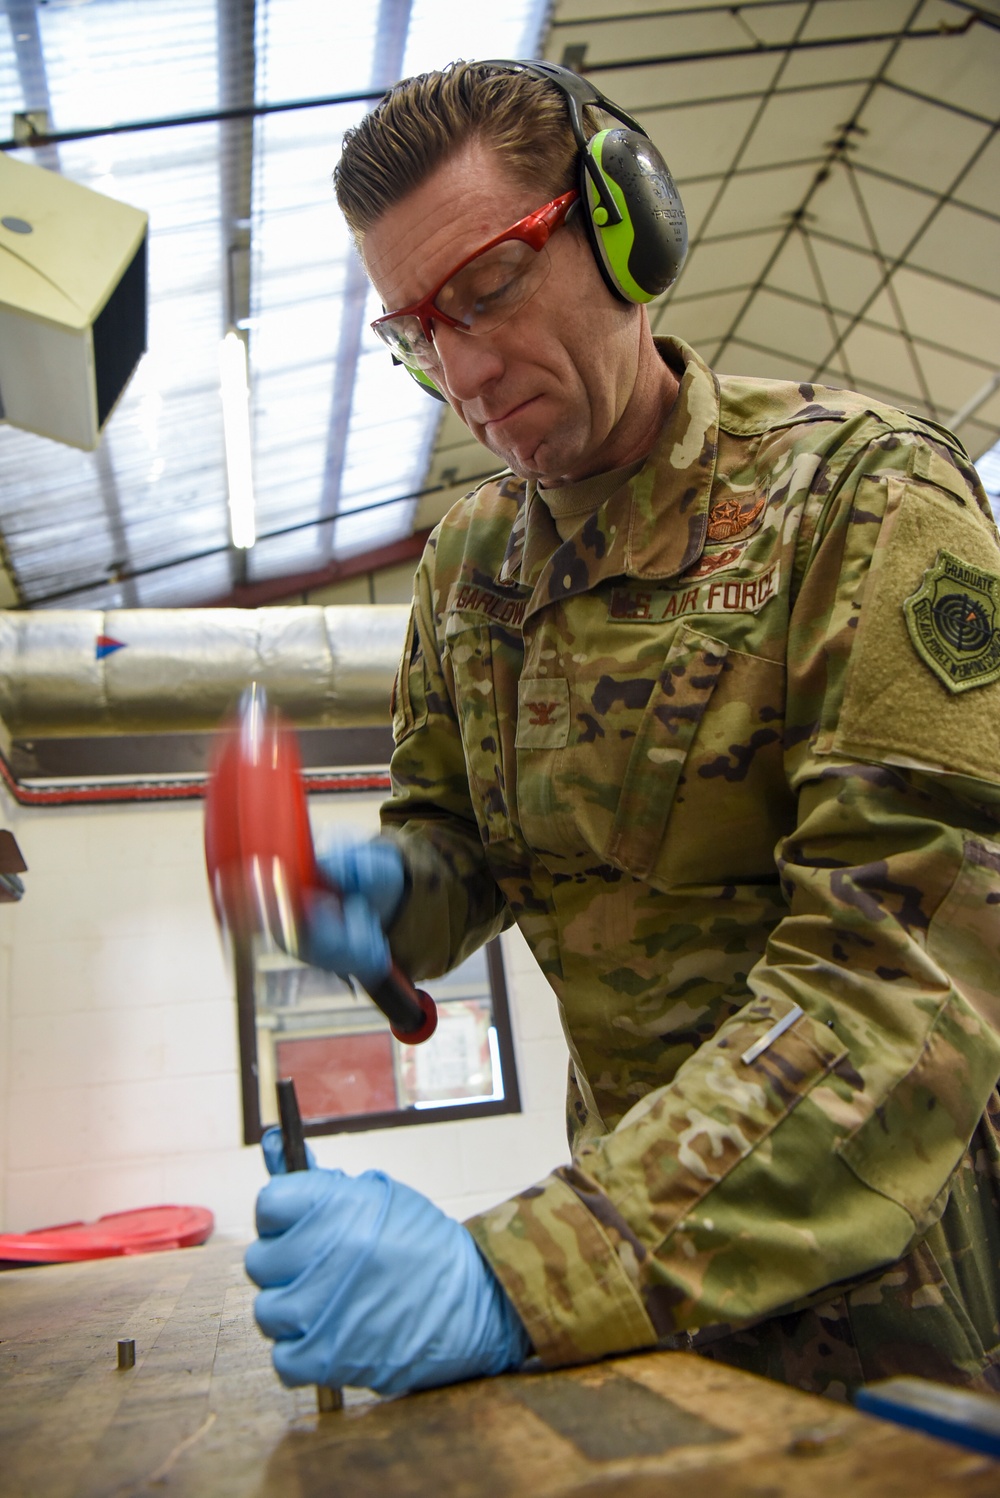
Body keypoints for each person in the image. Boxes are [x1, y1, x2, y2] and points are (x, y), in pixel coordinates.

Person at [245, 59, 1000, 1403]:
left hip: (900, 1306)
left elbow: (904, 981)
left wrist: (524, 1275)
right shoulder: (468, 567)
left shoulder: (863, 500)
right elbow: (459, 835)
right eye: (419, 330)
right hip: (639, 1286)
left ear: (626, 229)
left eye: (489, 286)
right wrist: (393, 893)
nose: (464, 371)